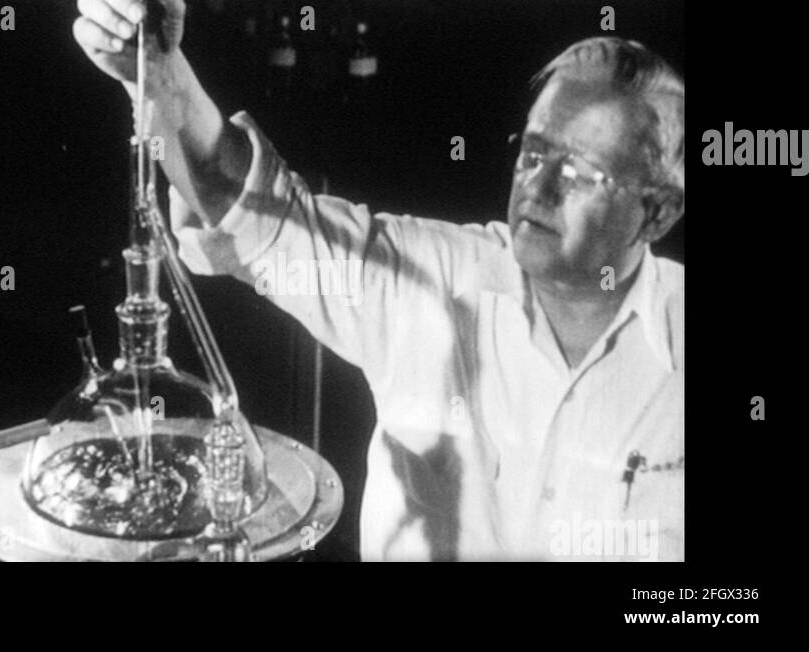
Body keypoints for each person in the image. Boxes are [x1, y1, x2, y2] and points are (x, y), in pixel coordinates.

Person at [73, 0, 685, 561]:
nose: (538, 188)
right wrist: (158, 72)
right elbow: (250, 211)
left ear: (657, 212)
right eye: (532, 153)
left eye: (580, 172)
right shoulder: (429, 284)